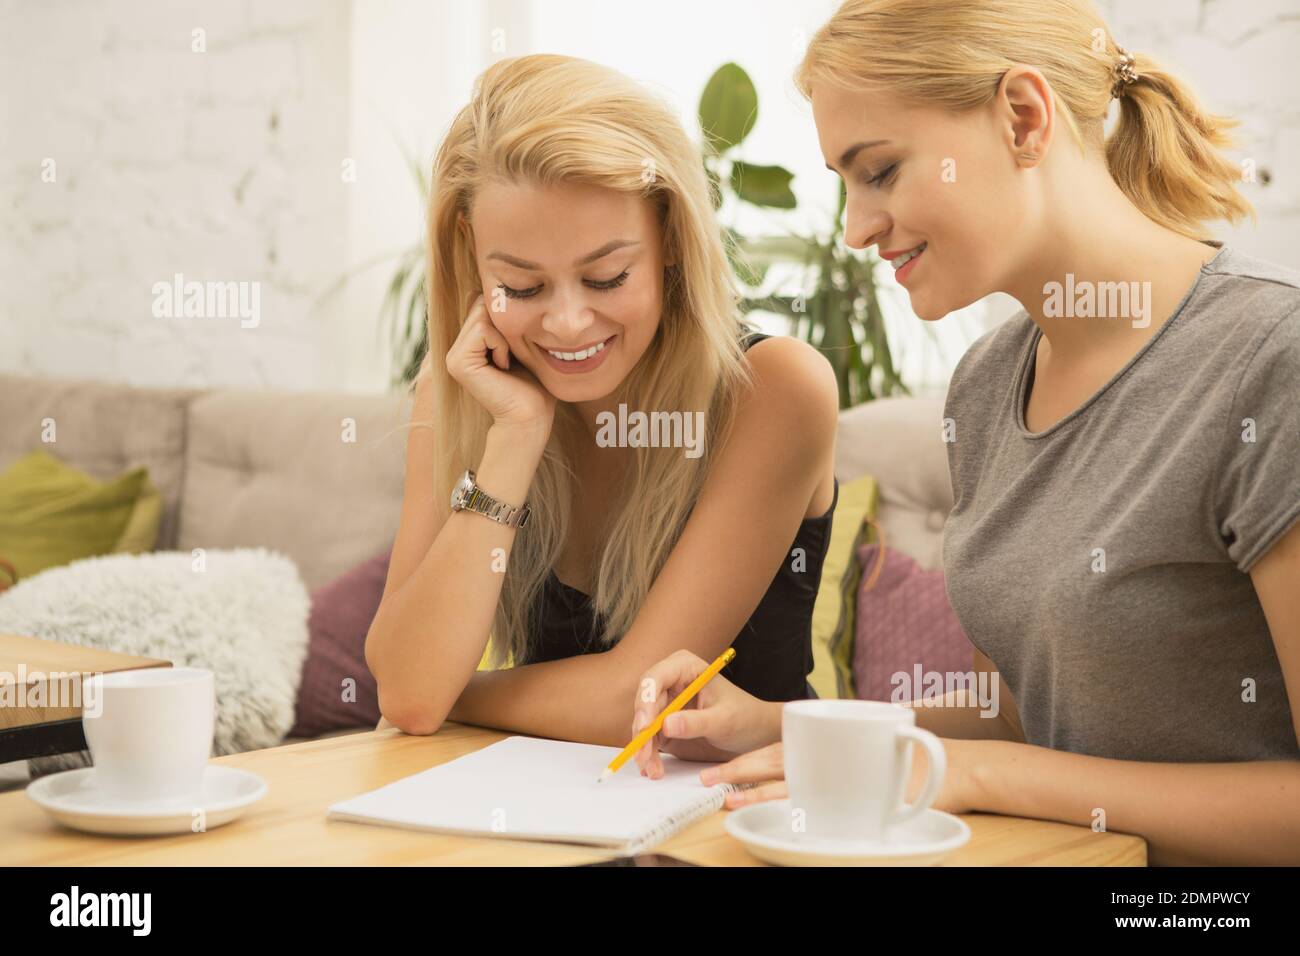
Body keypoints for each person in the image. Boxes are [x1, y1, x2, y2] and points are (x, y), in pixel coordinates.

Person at [631, 0, 1300, 866]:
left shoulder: (1268, 360)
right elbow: (1024, 708)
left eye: (879, 171)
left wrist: (984, 777)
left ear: (1023, 118)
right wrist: (780, 725)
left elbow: (1005, 758)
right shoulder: (987, 385)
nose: (855, 228)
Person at [366, 54, 840, 747]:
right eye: (522, 287)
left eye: (607, 277)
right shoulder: (458, 395)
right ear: (472, 254)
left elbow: (637, 699)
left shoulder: (773, 389)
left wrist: (452, 696)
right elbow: (410, 693)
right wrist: (516, 435)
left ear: (671, 241)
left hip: (740, 819)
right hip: (538, 813)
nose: (566, 324)